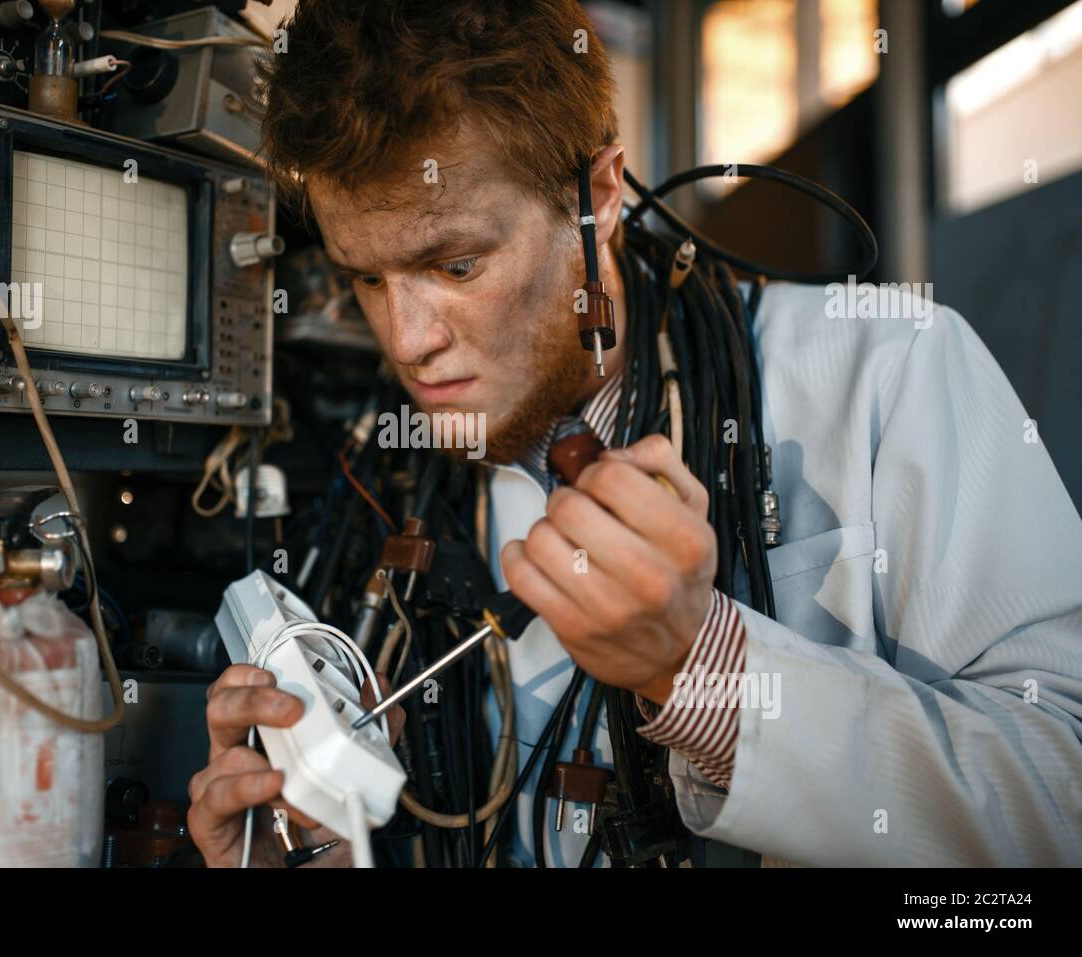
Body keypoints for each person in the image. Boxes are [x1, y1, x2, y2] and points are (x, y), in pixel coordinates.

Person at [188, 0, 1082, 867]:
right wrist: (330, 843)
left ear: (600, 194)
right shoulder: (387, 475)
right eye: (367, 280)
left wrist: (705, 671)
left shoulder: (888, 368)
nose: (408, 341)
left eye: (455, 265)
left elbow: (1063, 797)